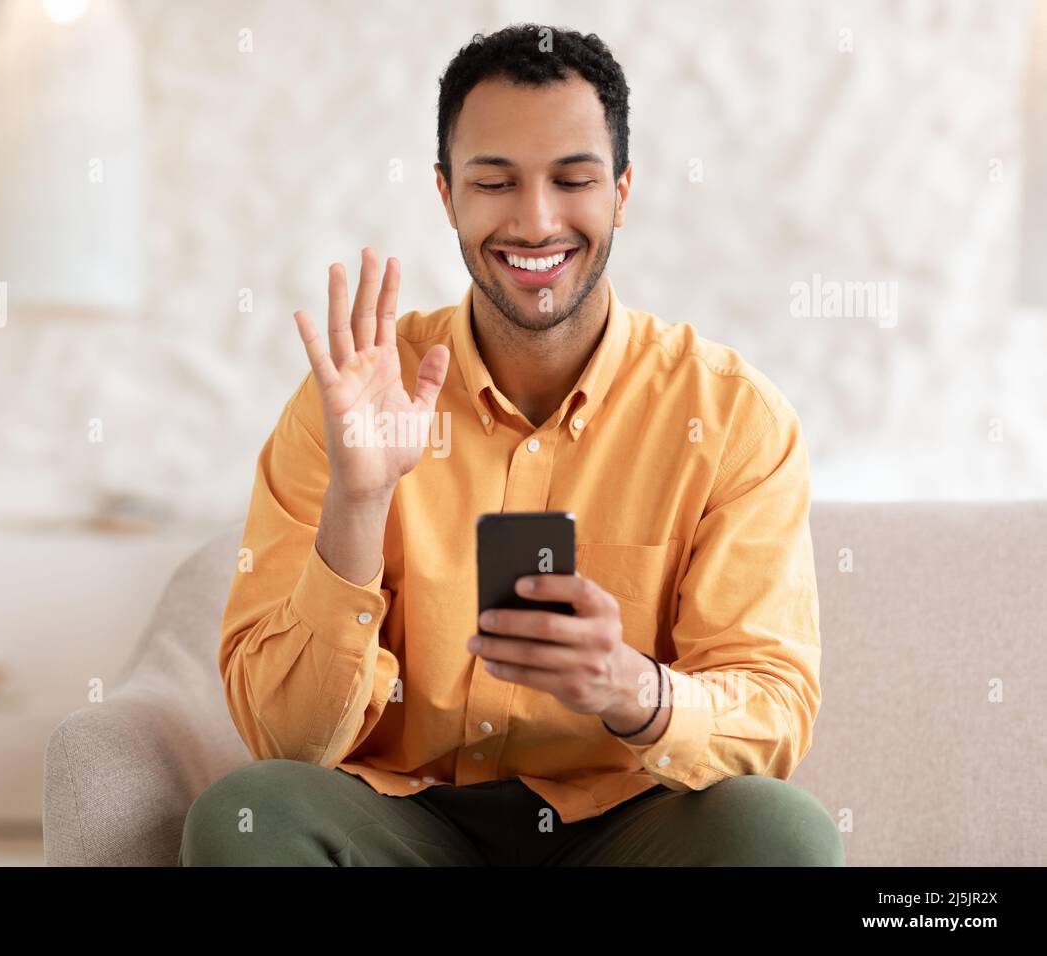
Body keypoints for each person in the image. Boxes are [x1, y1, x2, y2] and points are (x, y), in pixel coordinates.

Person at [182, 23, 844, 866]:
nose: (536, 223)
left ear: (623, 192)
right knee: (250, 812)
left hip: (628, 828)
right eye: (495, 182)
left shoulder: (732, 418)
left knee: (778, 832)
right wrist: (359, 502)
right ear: (447, 195)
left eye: (573, 180)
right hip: (406, 821)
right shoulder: (347, 403)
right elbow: (285, 739)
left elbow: (773, 713)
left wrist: (631, 689)